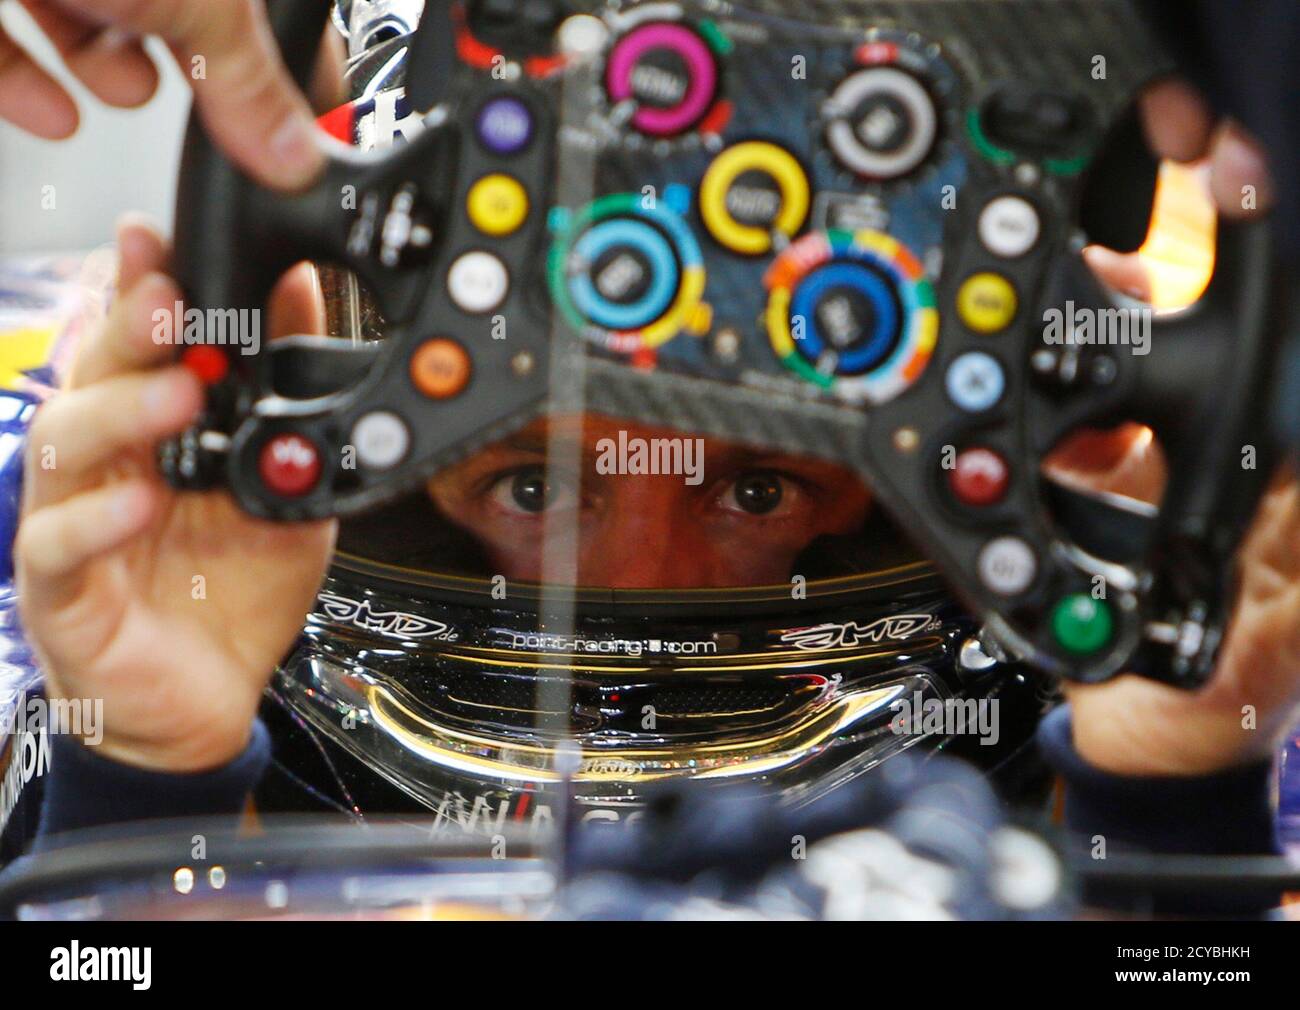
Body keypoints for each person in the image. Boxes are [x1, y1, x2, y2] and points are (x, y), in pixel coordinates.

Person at [1, 0, 1295, 915]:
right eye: (530, 480)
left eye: (757, 483)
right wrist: (138, 778)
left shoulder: (1225, 625)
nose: (634, 583)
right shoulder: (97, 506)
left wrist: (1172, 796)